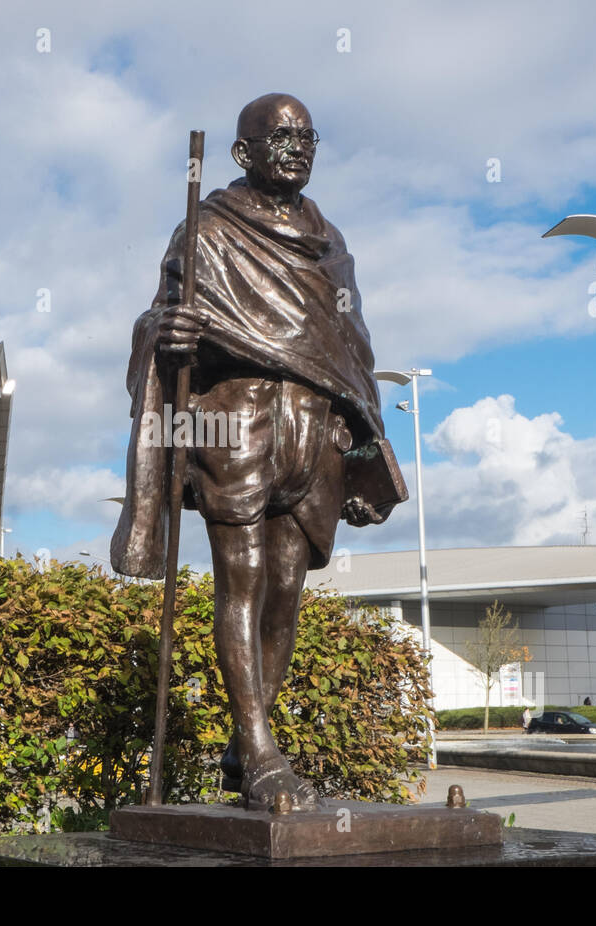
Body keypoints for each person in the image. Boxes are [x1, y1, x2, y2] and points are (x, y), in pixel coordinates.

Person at [112, 93, 401, 812]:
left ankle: (245, 749)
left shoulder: (331, 242)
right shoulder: (206, 229)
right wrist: (168, 332)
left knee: (286, 595)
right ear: (245, 152)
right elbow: (159, 316)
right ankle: (264, 751)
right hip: (234, 421)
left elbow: (351, 346)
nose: (297, 146)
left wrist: (358, 427)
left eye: (307, 136)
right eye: (280, 136)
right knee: (239, 583)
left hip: (315, 429)